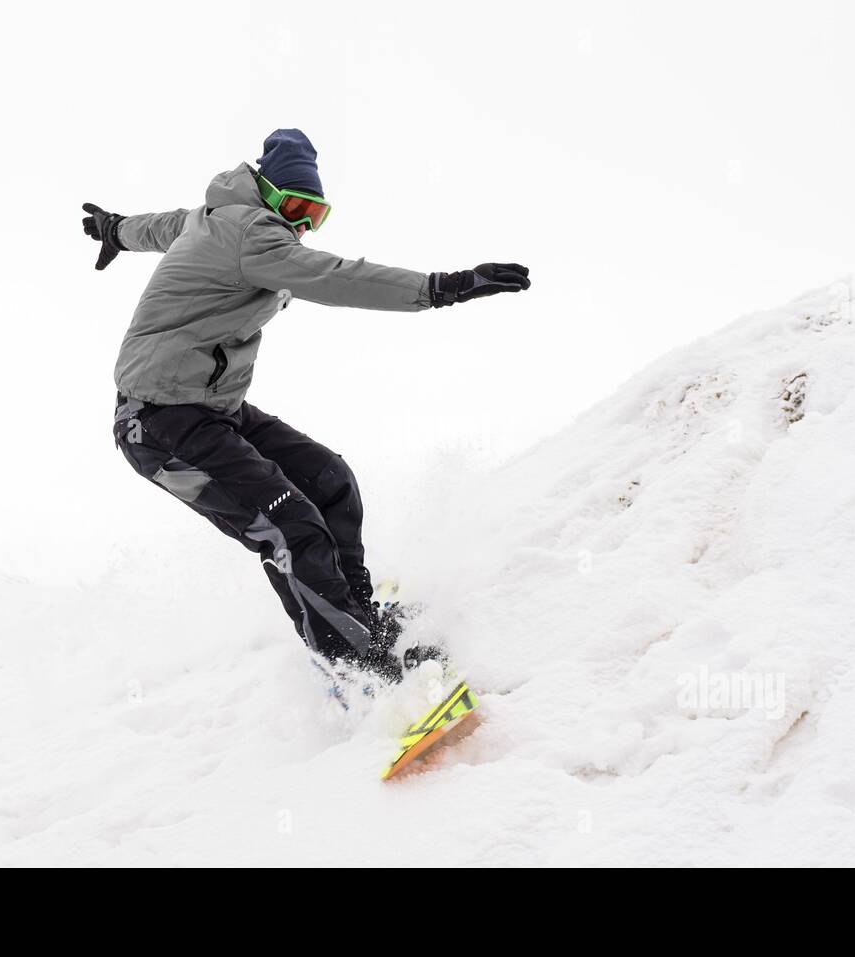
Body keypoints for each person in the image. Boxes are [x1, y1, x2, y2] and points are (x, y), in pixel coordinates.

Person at [82, 129, 530, 681]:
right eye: (293, 206)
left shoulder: (210, 215)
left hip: (212, 409)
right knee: (290, 525)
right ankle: (356, 667)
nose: (299, 224)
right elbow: (336, 277)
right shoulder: (253, 234)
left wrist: (114, 230)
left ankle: (356, 617)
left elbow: (156, 227)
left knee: (329, 478)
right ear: (265, 192)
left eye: (313, 214)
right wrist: (440, 286)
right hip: (158, 423)